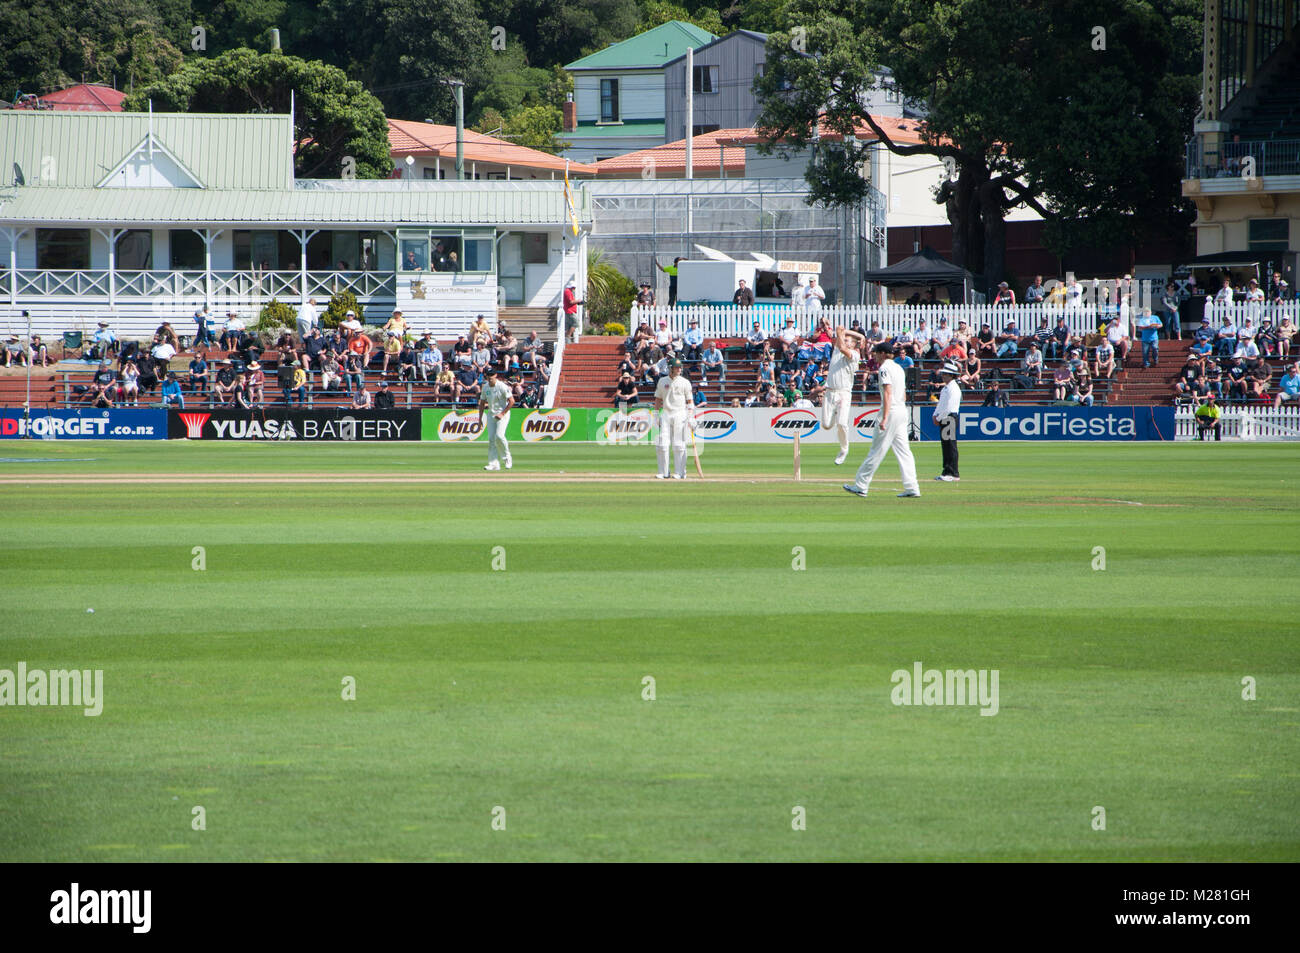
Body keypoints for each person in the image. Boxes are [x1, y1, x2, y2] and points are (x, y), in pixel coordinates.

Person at [843, 341, 920, 498]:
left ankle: (861, 485)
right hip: (901, 410)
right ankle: (912, 487)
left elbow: (887, 393)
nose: (874, 356)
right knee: (904, 451)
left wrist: (885, 418)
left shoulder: (884, 368)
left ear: (883, 354)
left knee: (877, 450)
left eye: (877, 353)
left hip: (890, 411)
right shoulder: (898, 368)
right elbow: (903, 394)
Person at [824, 326, 864, 466]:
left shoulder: (855, 355)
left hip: (844, 393)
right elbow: (839, 329)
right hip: (829, 392)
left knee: (841, 423)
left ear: (853, 344)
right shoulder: (837, 349)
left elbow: (842, 345)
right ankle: (836, 413)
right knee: (826, 425)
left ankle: (844, 449)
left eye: (849, 341)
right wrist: (860, 336)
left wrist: (858, 338)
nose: (845, 341)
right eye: (845, 339)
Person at [653, 359, 693, 480]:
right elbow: (658, 399)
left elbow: (690, 401)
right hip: (666, 413)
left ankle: (680, 472)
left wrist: (690, 416)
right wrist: (656, 414)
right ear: (670, 368)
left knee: (679, 445)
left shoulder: (685, 382)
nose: (679, 370)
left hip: (680, 413)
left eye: (680, 367)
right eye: (677, 368)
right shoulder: (662, 381)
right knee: (662, 444)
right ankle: (663, 472)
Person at [933, 360, 963, 481]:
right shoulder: (946, 388)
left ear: (951, 375)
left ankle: (953, 473)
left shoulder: (954, 388)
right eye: (943, 373)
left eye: (946, 374)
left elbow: (949, 407)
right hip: (944, 418)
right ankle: (946, 471)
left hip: (949, 418)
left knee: (950, 445)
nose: (943, 375)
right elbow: (941, 404)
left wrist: (939, 418)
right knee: (945, 445)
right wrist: (935, 415)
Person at [479, 367, 514, 471]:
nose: (490, 379)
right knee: (491, 439)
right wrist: (479, 418)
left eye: (492, 377)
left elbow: (512, 401)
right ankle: (494, 464)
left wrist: (502, 414)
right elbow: (481, 403)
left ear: (496, 376)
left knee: (499, 436)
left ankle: (507, 458)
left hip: (503, 413)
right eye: (488, 377)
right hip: (491, 414)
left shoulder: (502, 386)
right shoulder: (485, 387)